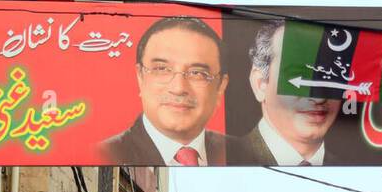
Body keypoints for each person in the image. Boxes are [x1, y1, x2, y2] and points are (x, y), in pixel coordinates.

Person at [101, 16, 229, 166]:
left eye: (197, 73)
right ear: (140, 77)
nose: (178, 88)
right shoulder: (107, 153)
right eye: (162, 69)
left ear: (221, 86)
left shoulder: (240, 151)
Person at [229, 19, 343, 166]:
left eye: (329, 75)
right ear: (260, 83)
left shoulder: (356, 172)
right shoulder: (224, 160)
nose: (319, 97)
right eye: (299, 77)